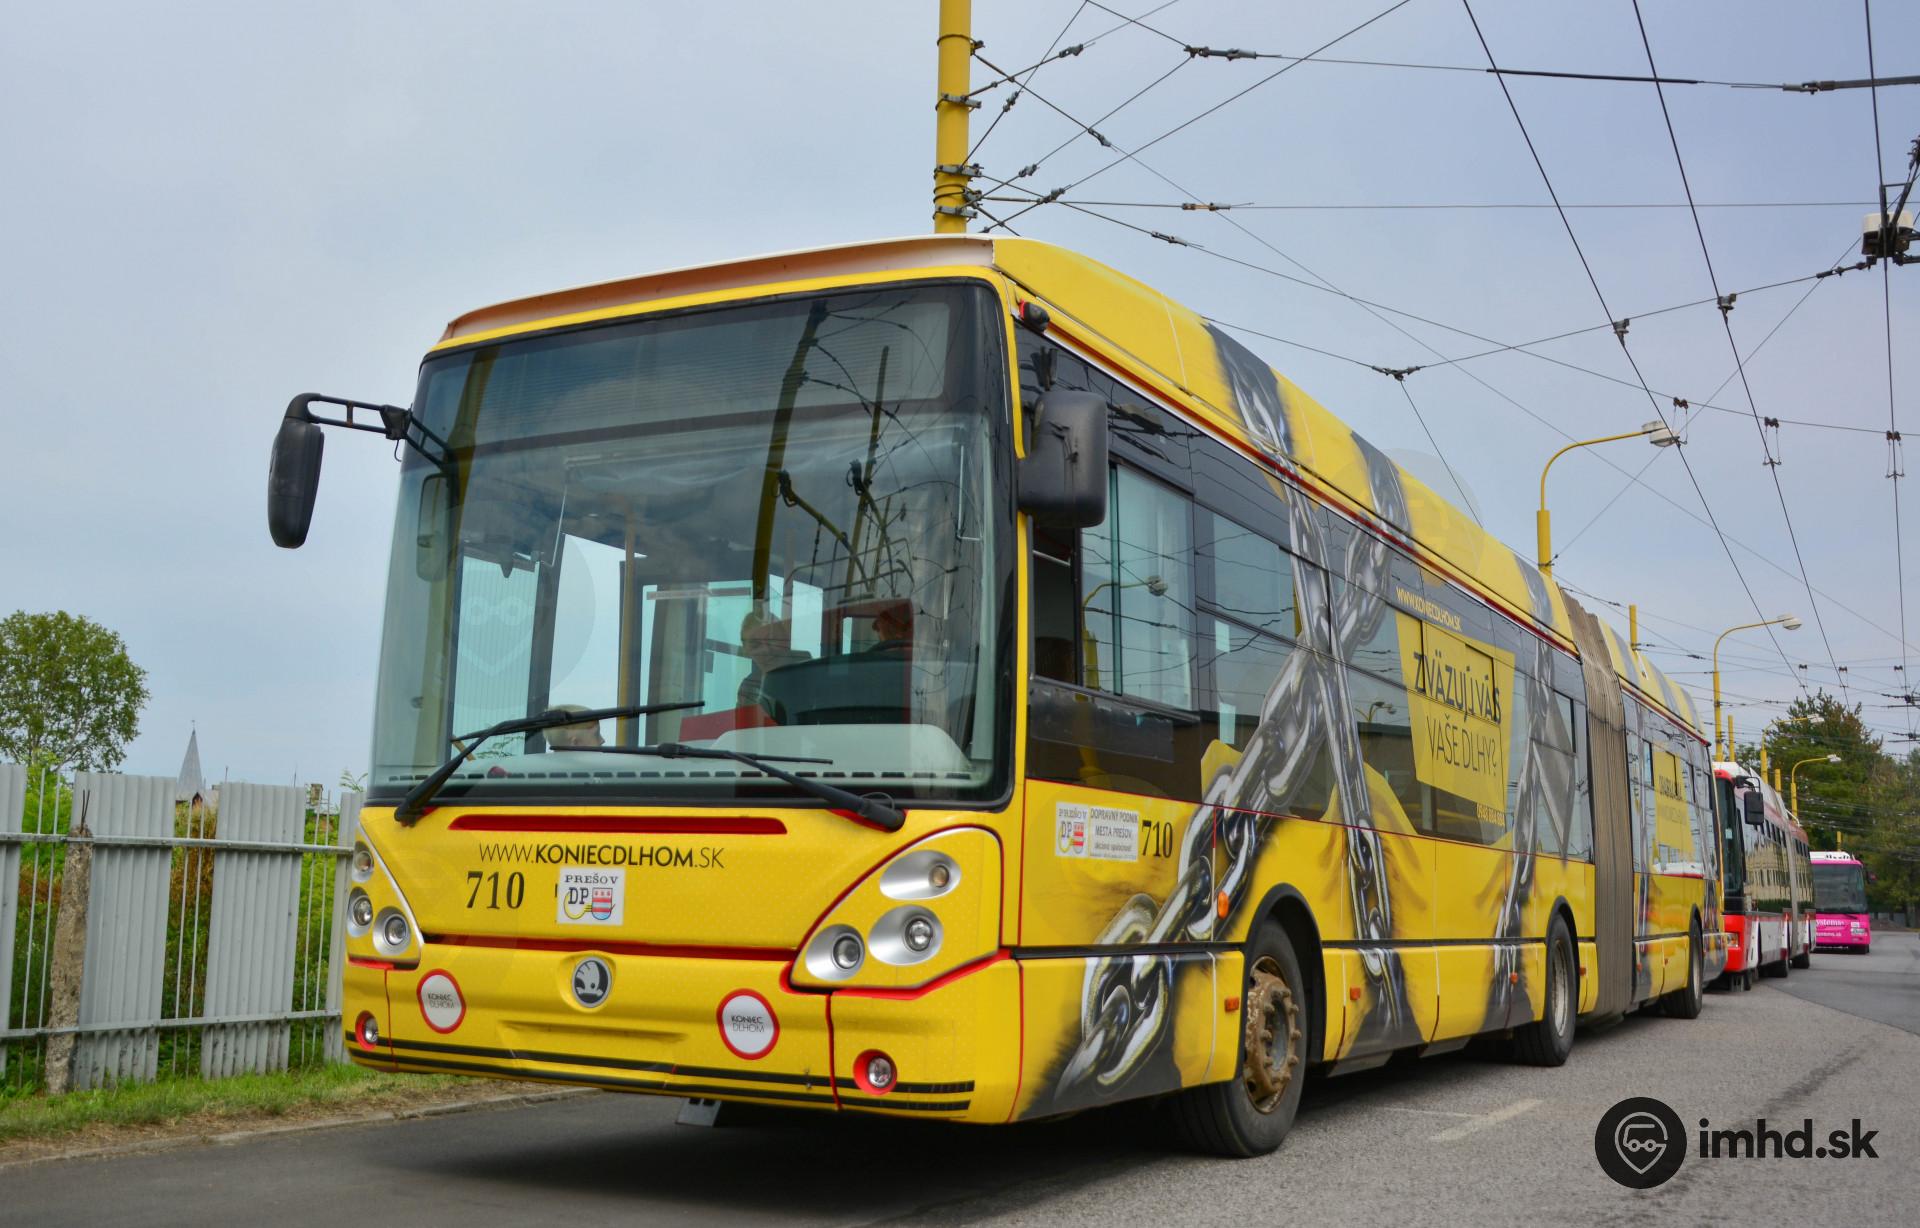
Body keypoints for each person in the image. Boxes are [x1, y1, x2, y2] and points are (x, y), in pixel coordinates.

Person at [737, 608, 809, 709]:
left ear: (786, 641)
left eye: (771, 640)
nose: (765, 650)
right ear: (746, 651)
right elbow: (742, 723)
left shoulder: (812, 675)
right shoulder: (749, 687)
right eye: (755, 644)